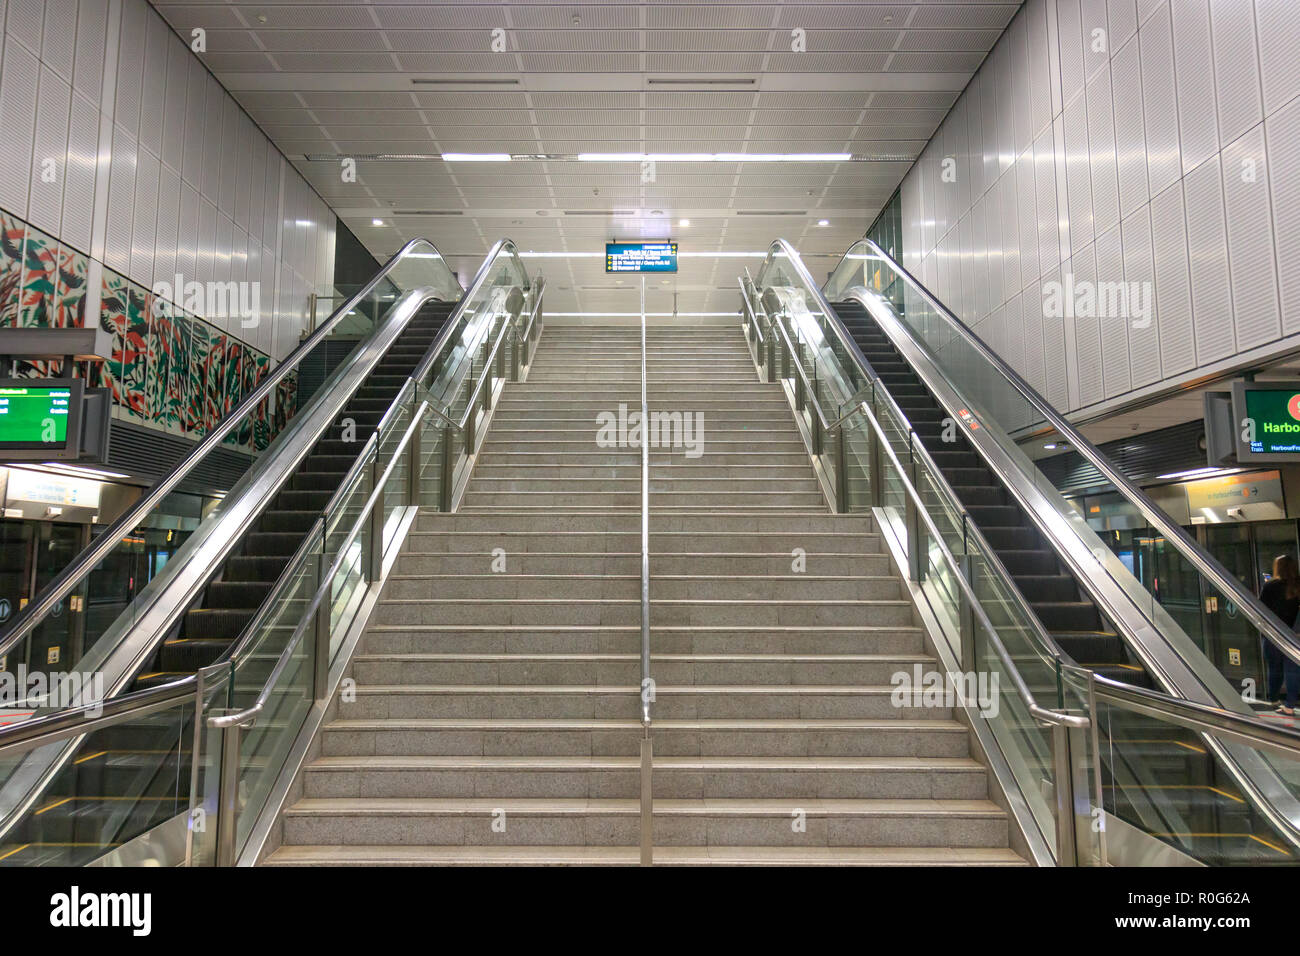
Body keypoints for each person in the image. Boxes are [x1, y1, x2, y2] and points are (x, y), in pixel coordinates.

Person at [1260, 555, 1300, 715]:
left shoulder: (1270, 586)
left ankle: (1274, 699)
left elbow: (1261, 608)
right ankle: (1290, 704)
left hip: (1274, 634)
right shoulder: (1298, 585)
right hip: (1295, 634)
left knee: (1274, 668)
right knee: (1293, 669)